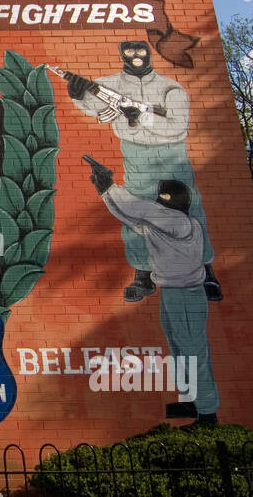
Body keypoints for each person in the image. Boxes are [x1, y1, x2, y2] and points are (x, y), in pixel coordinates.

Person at [61, 41, 221, 302]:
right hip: (134, 150)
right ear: (122, 54)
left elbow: (177, 127)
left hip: (171, 151)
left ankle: (205, 271)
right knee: (135, 208)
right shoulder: (111, 83)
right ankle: (143, 273)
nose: (136, 57)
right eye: (130, 52)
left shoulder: (170, 88)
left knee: (190, 210)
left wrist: (142, 116)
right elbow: (98, 108)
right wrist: (79, 95)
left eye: (141, 51)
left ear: (149, 54)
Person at [87, 158, 219, 428]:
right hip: (172, 293)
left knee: (193, 350)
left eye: (163, 199)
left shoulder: (181, 223)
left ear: (174, 202)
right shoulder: (165, 225)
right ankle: (191, 399)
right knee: (178, 348)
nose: (158, 202)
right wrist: (105, 191)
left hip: (186, 294)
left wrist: (110, 186)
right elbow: (129, 214)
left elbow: (140, 209)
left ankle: (207, 413)